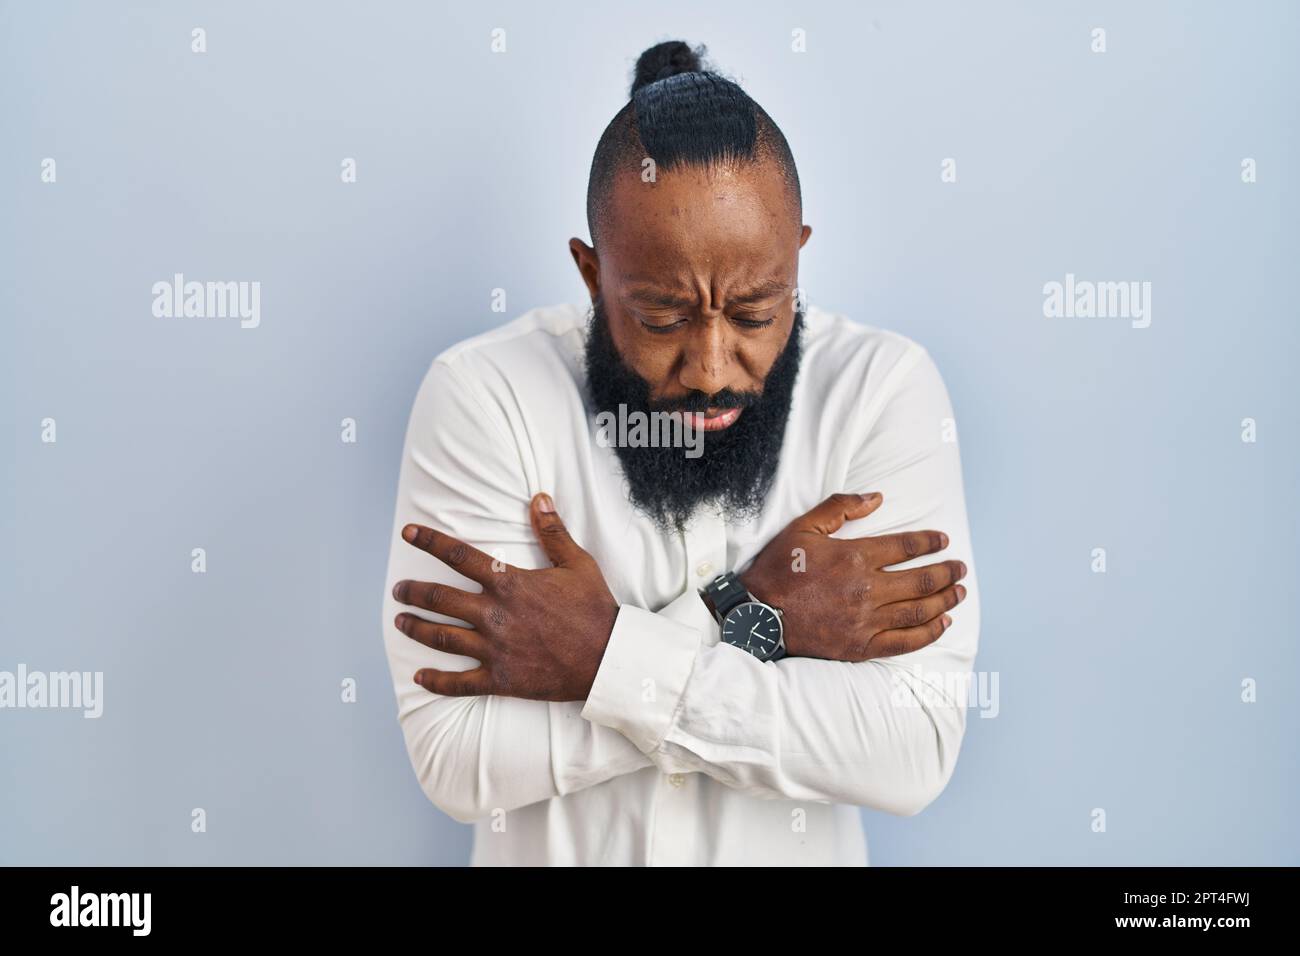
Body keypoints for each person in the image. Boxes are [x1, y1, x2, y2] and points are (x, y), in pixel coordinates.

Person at [380, 40, 979, 866]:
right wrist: (755, 618)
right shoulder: (486, 396)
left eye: (756, 311)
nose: (711, 367)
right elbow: (455, 754)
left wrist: (593, 657)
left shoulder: (882, 391)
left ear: (798, 256)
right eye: (662, 317)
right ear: (593, 276)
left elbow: (912, 747)